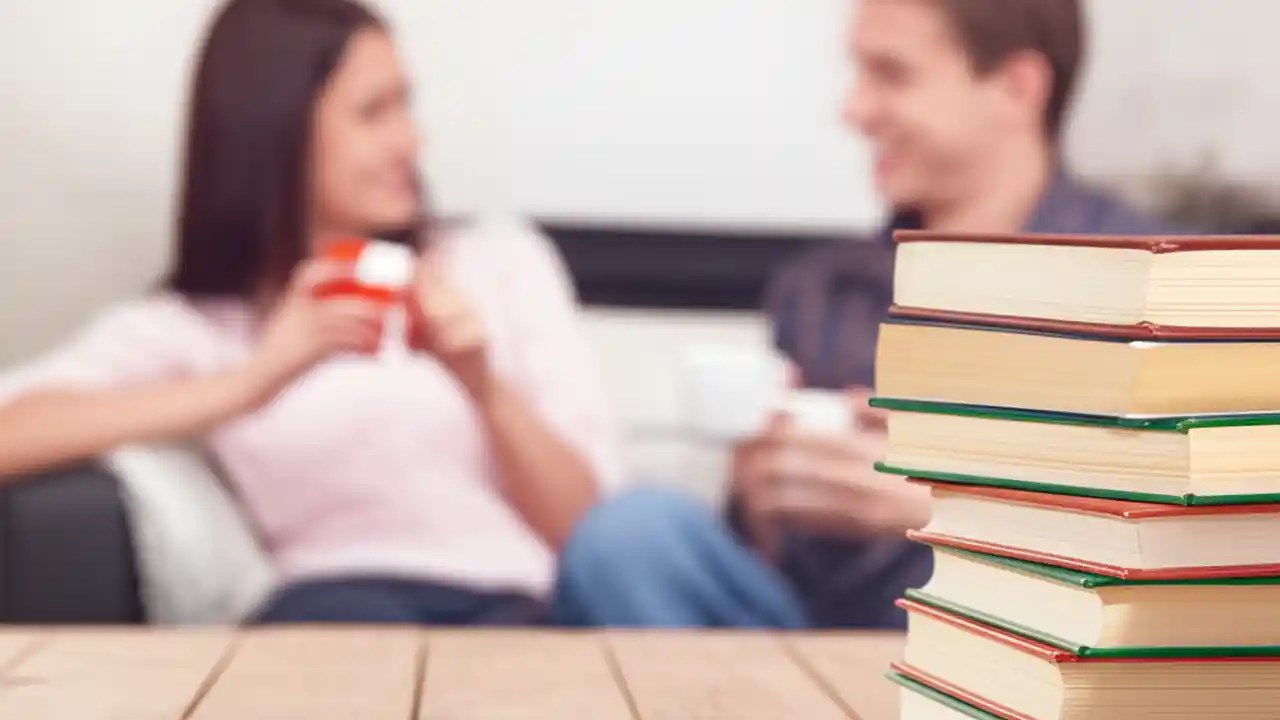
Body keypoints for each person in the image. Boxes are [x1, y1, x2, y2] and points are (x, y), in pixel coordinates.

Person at [0, 0, 805, 627]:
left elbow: (591, 533)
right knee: (334, 629)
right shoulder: (205, 325)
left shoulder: (496, 262)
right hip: (333, 607)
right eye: (373, 112)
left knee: (629, 539)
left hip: (524, 608)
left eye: (407, 105)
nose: (410, 141)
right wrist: (256, 380)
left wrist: (483, 388)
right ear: (275, 131)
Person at [556, 0, 1170, 630]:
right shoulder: (821, 289)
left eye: (892, 74)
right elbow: (770, 568)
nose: (853, 111)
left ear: (1016, 87)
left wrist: (953, 512)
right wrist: (763, 502)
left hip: (1030, 643)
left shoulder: (1155, 289)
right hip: (815, 642)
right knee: (632, 538)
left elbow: (1181, 546)